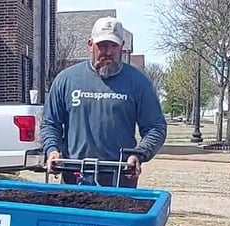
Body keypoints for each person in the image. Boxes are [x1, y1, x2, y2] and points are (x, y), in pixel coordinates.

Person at [39, 16, 166, 188]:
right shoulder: (67, 80)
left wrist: (139, 154)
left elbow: (155, 127)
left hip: (120, 177)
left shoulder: (139, 83)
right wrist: (52, 150)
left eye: (114, 45)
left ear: (122, 46)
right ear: (90, 45)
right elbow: (50, 123)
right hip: (74, 177)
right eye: (102, 45)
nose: (108, 52)